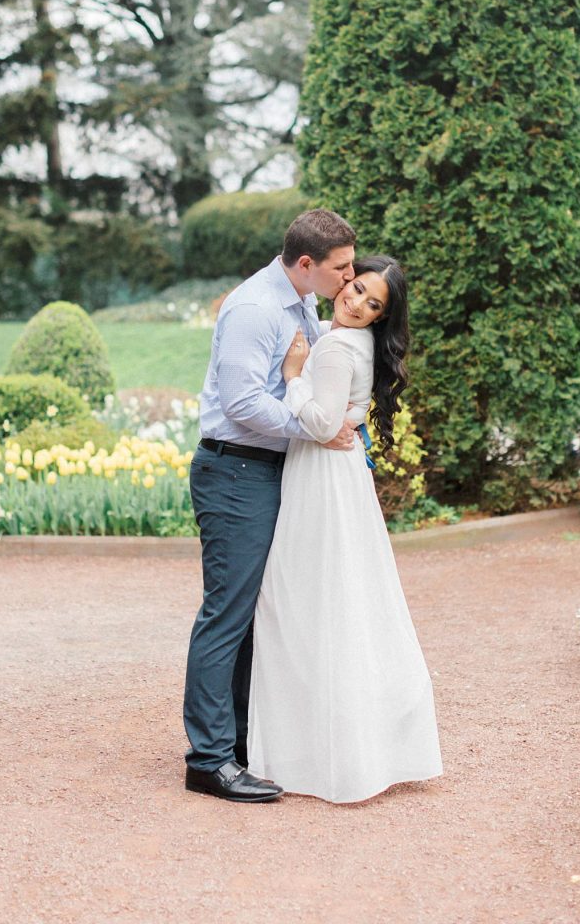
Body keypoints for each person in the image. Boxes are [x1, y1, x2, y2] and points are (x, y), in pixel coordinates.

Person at [248, 255, 443, 803]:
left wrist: (291, 377)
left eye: (371, 303)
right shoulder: (351, 343)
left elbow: (318, 423)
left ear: (382, 316)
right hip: (339, 476)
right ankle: (352, 741)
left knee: (303, 600)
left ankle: (310, 750)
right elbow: (337, 421)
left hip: (321, 480)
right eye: (356, 289)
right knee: (344, 595)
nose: (355, 303)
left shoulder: (335, 347)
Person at [183, 208, 358, 803]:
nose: (350, 276)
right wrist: (315, 430)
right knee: (228, 614)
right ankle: (208, 760)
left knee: (259, 615)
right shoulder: (257, 309)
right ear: (306, 264)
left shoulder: (300, 301)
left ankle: (238, 744)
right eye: (342, 267)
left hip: (266, 470)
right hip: (233, 471)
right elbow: (241, 403)